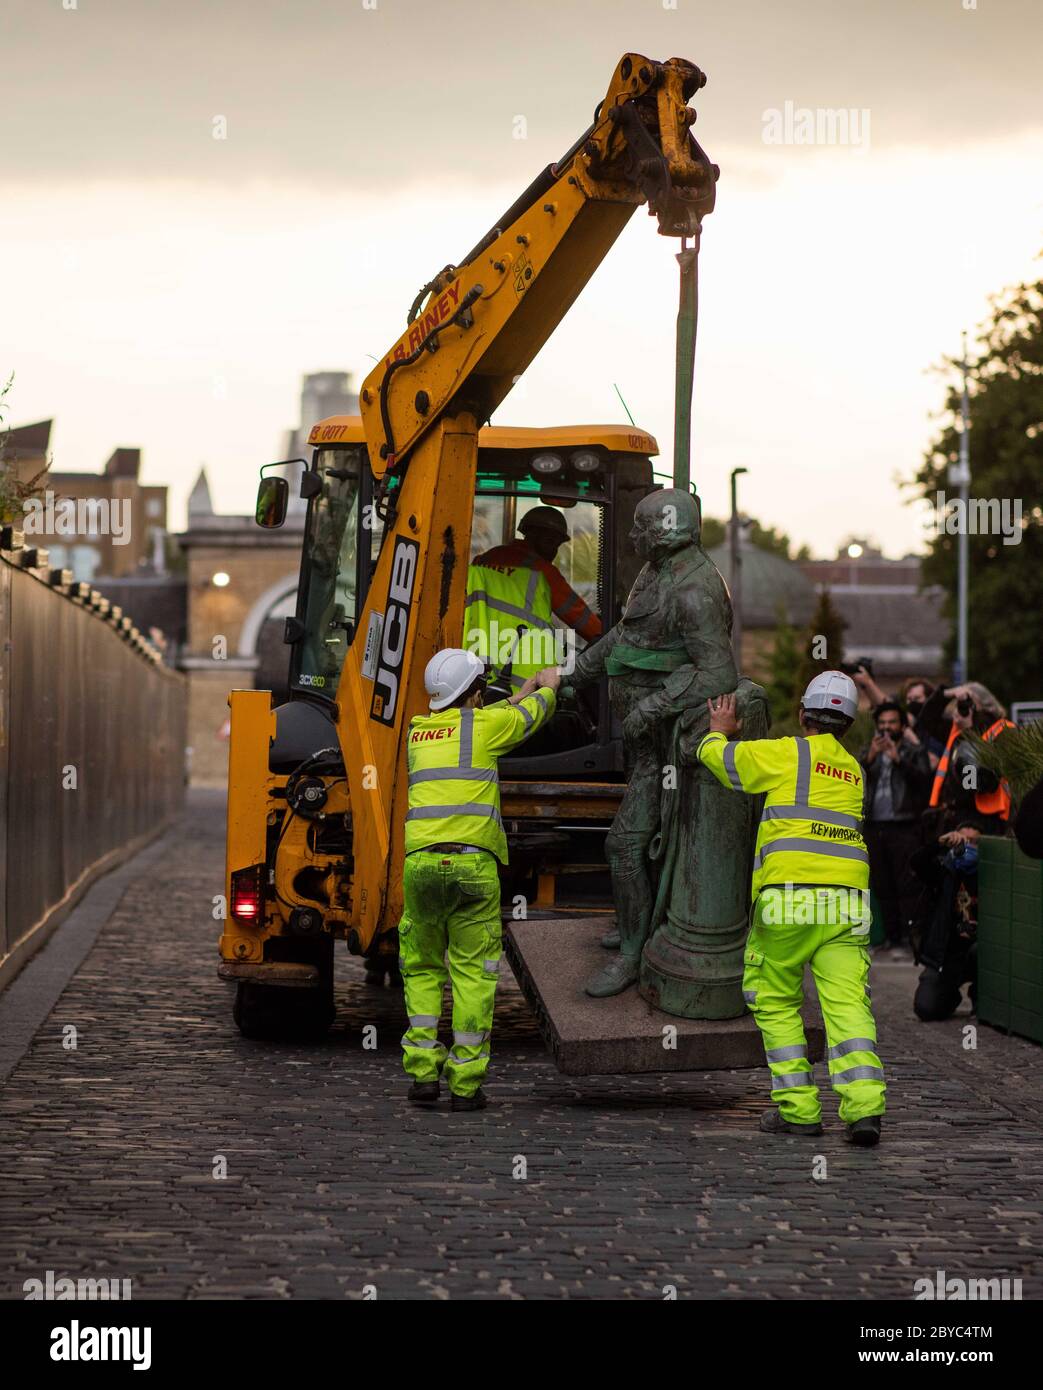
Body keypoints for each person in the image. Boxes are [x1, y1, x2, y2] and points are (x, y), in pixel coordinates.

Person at [697, 671, 886, 1147]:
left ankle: (799, 1110)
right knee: (847, 1005)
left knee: (777, 1001)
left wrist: (719, 730)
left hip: (789, 900)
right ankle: (864, 1109)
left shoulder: (787, 752)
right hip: (846, 903)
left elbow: (720, 762)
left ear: (803, 715)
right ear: (849, 722)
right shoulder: (855, 771)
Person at [398, 648, 560, 1112]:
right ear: (473, 694)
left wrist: (517, 692)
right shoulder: (487, 727)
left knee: (423, 968)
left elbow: (475, 721)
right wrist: (547, 684)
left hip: (422, 866)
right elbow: (530, 716)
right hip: (472, 867)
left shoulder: (417, 733)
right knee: (473, 973)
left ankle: (423, 1076)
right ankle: (466, 1086)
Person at [465, 506, 601, 689]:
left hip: (472, 665)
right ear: (543, 540)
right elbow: (586, 624)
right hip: (518, 677)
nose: (554, 551)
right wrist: (611, 637)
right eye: (553, 543)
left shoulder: (485, 559)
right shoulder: (543, 572)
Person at [859, 701, 932, 950]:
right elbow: (854, 776)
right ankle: (890, 938)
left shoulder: (914, 751)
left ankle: (909, 939)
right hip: (875, 827)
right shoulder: (870, 750)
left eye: (892, 722)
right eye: (882, 723)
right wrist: (870, 757)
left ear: (902, 725)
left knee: (907, 886)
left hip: (905, 826)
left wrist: (898, 759)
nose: (886, 728)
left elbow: (924, 782)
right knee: (882, 884)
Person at [911, 823, 983, 1021]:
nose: (968, 847)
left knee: (981, 952)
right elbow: (917, 862)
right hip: (948, 955)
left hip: (979, 952)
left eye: (974, 842)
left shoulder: (992, 873)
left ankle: (980, 997)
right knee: (926, 1008)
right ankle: (950, 996)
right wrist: (939, 843)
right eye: (962, 840)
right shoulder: (945, 871)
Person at [925, 683, 1015, 835]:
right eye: (959, 705)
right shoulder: (956, 731)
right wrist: (947, 693)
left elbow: (973, 784)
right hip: (953, 816)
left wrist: (970, 732)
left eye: (967, 703)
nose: (958, 710)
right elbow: (927, 720)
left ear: (982, 705)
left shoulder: (1003, 731)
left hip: (983, 819)